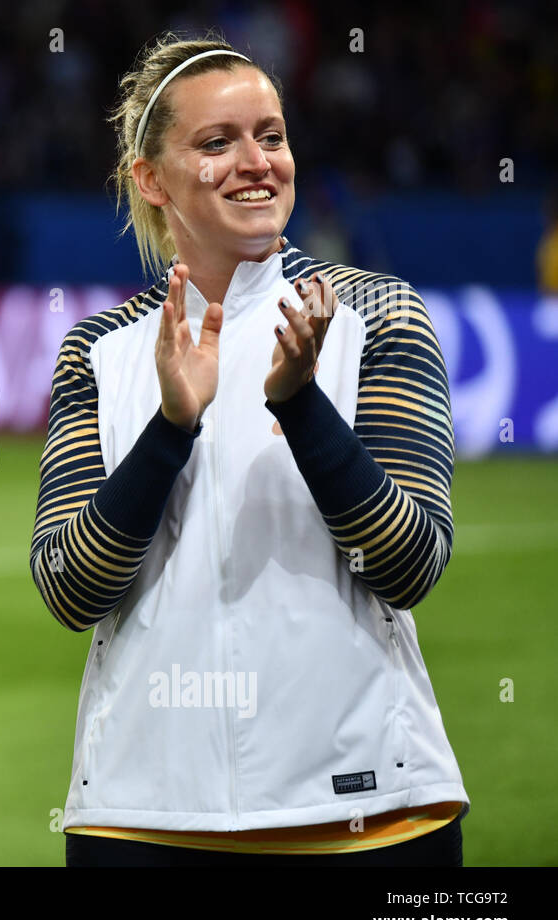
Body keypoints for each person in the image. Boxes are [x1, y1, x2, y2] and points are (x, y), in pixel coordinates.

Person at [30, 35, 468, 866]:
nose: (256, 161)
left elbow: (411, 565)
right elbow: (69, 588)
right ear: (152, 179)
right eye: (216, 142)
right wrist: (168, 430)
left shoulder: (381, 314)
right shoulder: (98, 349)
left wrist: (301, 408)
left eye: (271, 135)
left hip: (369, 808)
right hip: (142, 815)